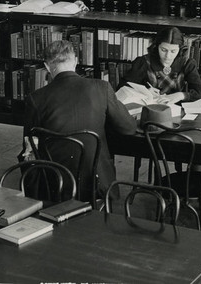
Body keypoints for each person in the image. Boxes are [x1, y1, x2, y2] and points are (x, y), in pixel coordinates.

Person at [22, 39, 137, 201]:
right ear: (76, 61)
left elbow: (29, 147)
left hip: (56, 183)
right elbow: (128, 128)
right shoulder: (101, 88)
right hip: (97, 182)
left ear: (47, 67)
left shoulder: (35, 99)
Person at [120, 26, 201, 104]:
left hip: (177, 109)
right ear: (156, 46)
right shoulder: (144, 62)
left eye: (173, 51)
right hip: (150, 108)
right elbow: (122, 88)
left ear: (180, 49)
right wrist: (145, 91)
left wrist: (181, 95)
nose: (168, 56)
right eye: (163, 50)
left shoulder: (187, 63)